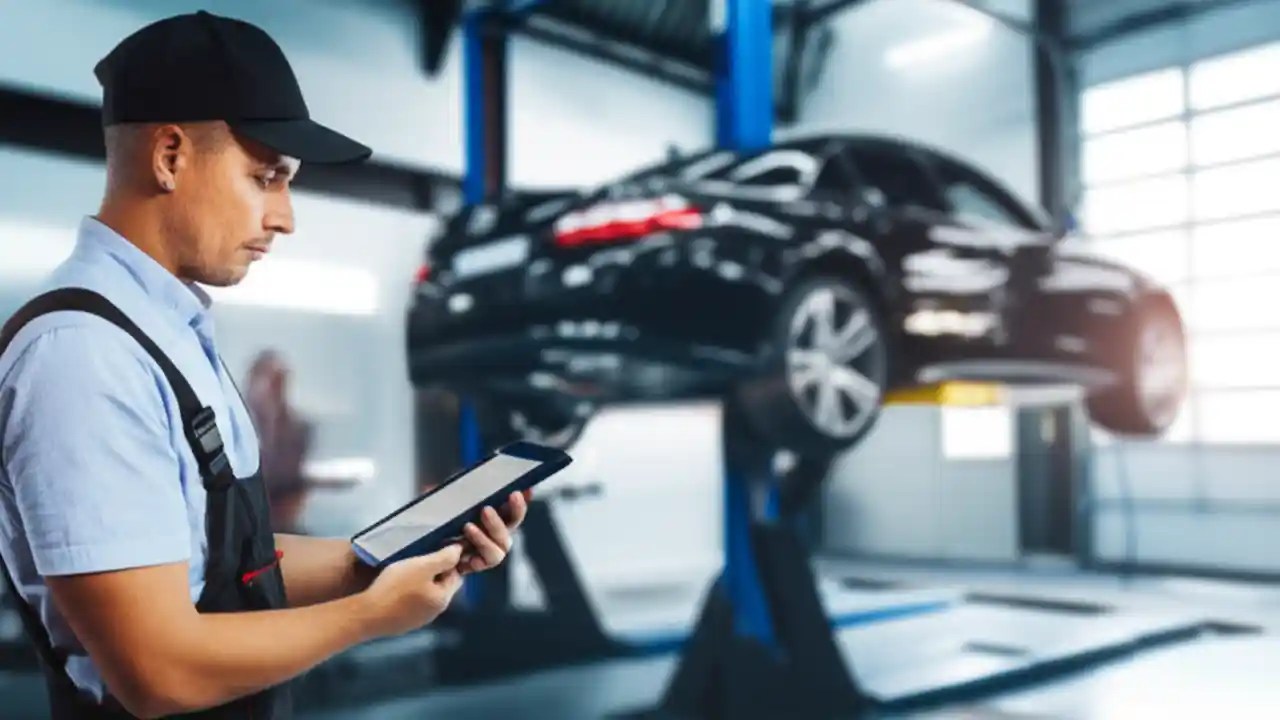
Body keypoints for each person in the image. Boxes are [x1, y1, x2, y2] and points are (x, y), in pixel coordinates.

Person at [0, 11, 528, 719]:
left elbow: (228, 565)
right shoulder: (83, 356)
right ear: (169, 157)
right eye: (266, 177)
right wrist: (371, 615)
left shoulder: (167, 331)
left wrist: (393, 554)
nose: (285, 217)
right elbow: (157, 672)